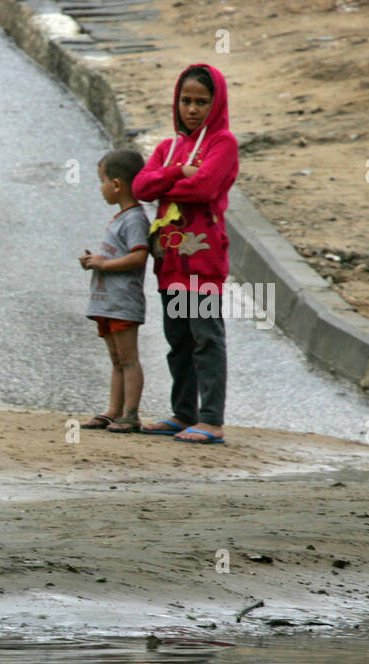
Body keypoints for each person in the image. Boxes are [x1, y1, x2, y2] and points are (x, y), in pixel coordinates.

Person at [132, 63, 238, 444]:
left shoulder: (223, 143)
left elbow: (206, 189)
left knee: (206, 338)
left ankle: (211, 420)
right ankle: (183, 414)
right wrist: (179, 171)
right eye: (186, 101)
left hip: (204, 263)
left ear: (217, 103)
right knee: (178, 341)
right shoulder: (168, 147)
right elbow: (142, 186)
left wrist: (167, 183)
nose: (192, 109)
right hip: (171, 263)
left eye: (202, 102)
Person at [78, 148, 150, 434]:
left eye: (102, 180)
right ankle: (113, 410)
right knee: (117, 360)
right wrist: (96, 261)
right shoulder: (122, 218)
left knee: (128, 359)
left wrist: (104, 263)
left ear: (117, 184)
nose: (101, 188)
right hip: (108, 303)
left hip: (122, 302)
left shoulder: (134, 219)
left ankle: (131, 414)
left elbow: (139, 255)